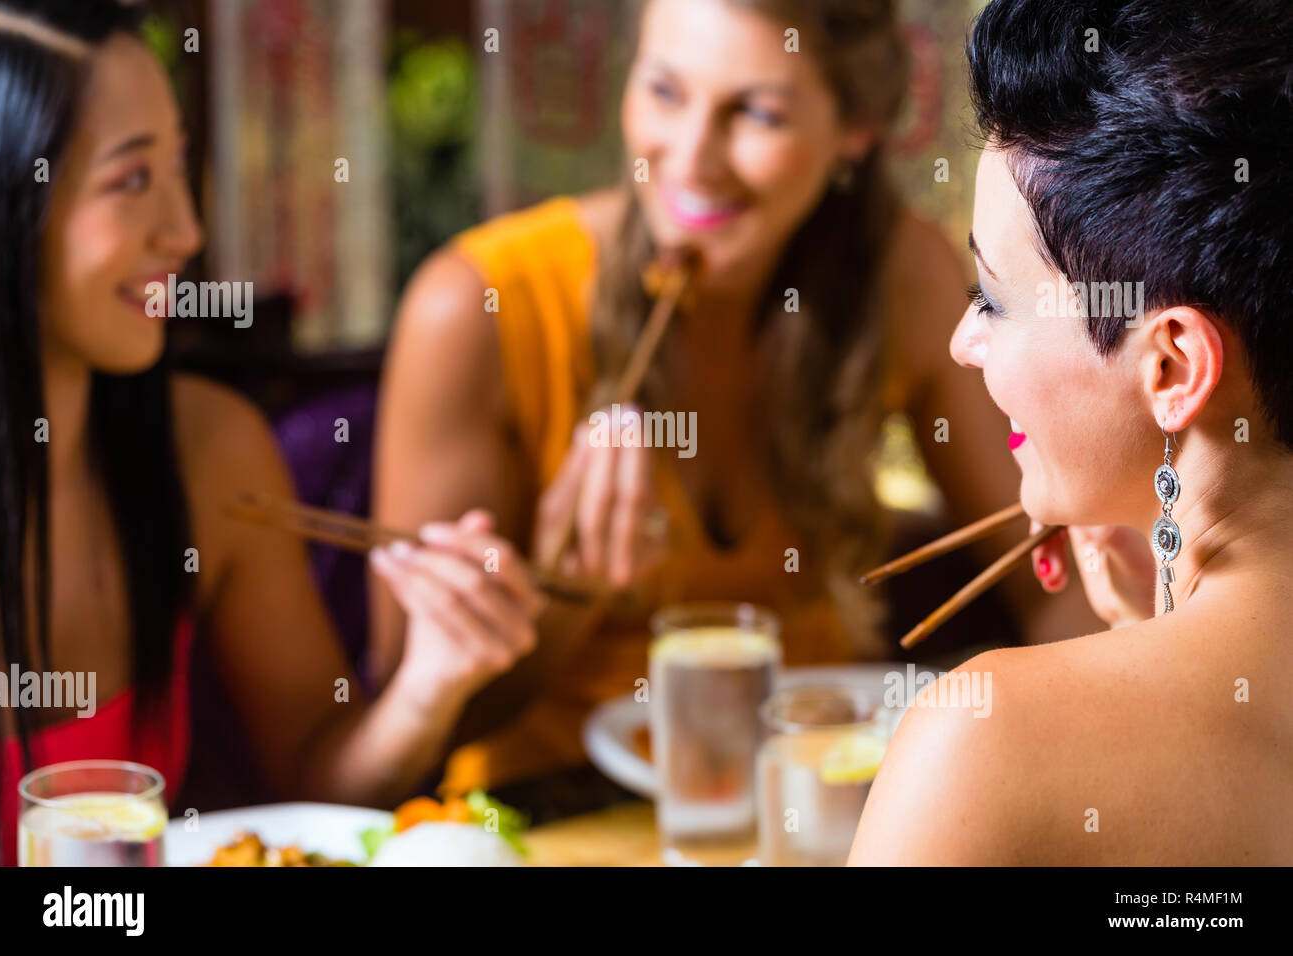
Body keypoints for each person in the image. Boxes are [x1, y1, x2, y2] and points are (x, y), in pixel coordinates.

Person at [372, 0, 1101, 795]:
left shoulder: (905, 281)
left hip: (827, 807)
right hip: (551, 816)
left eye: (756, 112)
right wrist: (573, 596)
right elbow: (415, 723)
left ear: (856, 124)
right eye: (663, 91)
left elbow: (1048, 587)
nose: (689, 159)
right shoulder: (473, 309)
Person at [0, 0, 535, 865]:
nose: (187, 231)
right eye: (132, 180)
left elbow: (317, 784)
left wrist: (434, 680)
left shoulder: (208, 453)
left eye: (179, 163)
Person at [851, 0, 1293, 864]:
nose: (962, 343)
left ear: (1170, 367)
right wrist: (1147, 628)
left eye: (994, 298)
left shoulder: (984, 743)